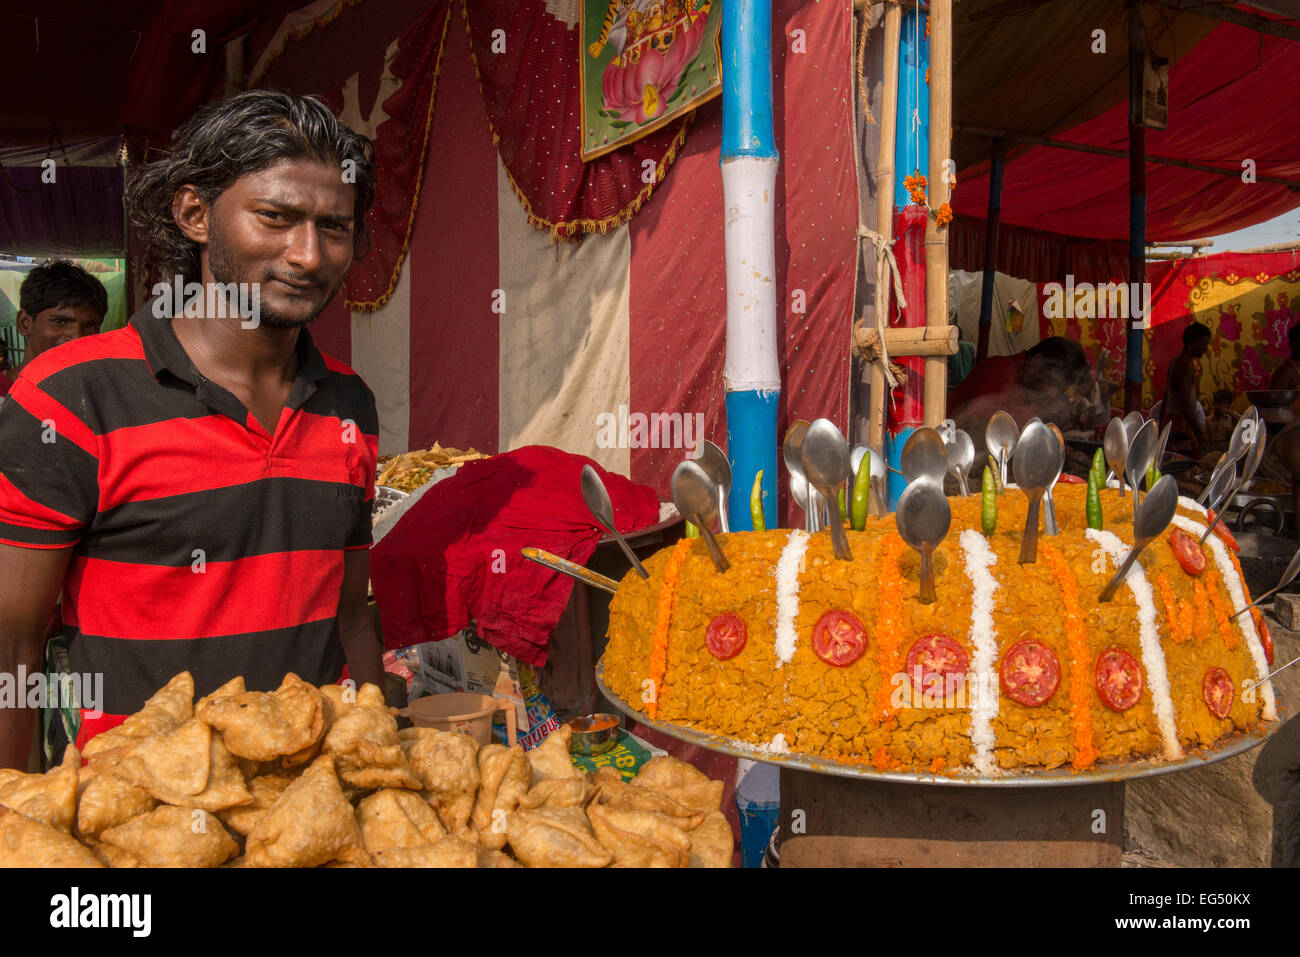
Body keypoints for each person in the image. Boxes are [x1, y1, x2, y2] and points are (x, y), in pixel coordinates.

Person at [0, 90, 382, 768]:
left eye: (335, 226)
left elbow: (350, 613)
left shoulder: (348, 403)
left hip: (311, 811)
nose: (309, 255)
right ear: (195, 213)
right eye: (276, 217)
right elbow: (13, 646)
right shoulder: (72, 396)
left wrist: (376, 760)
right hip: (141, 819)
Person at [3, 260, 107, 390]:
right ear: (24, 323)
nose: (77, 338)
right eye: (60, 322)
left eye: (90, 326)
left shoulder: (96, 398)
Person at [1159, 320, 1211, 459]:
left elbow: (1165, 399)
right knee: (1183, 469)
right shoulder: (1186, 365)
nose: (1205, 348)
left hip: (1170, 423)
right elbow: (1186, 404)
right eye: (1204, 344)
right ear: (1193, 341)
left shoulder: (1175, 361)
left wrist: (1161, 425)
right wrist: (1199, 433)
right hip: (1180, 426)